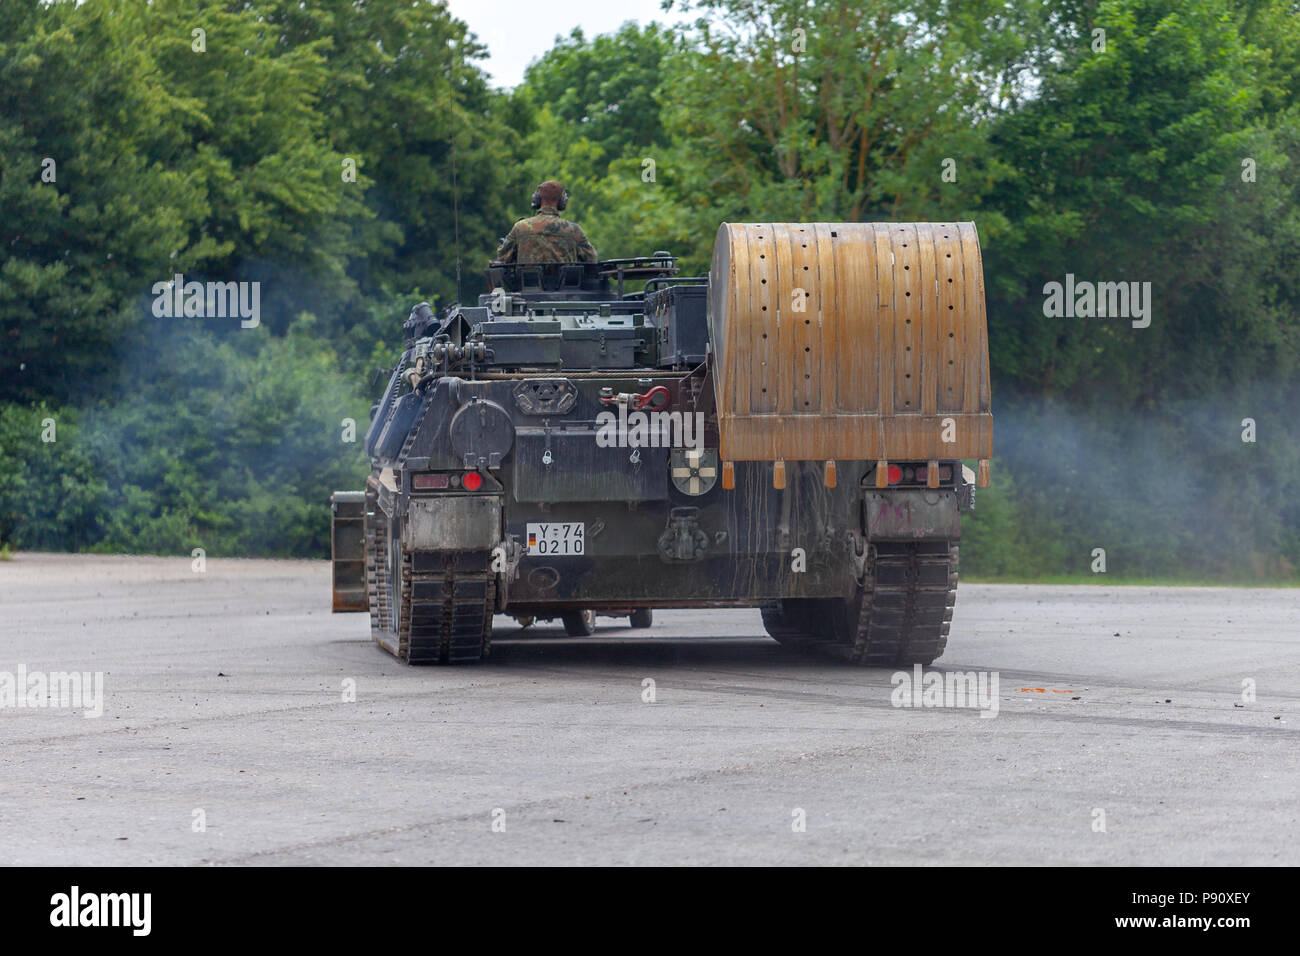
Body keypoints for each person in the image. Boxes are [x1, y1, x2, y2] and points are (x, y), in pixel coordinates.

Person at [496, 180, 597, 263]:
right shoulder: (574, 230)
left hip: (528, 287)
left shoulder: (520, 227)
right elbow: (591, 259)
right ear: (562, 202)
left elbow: (502, 257)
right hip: (566, 288)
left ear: (537, 200)